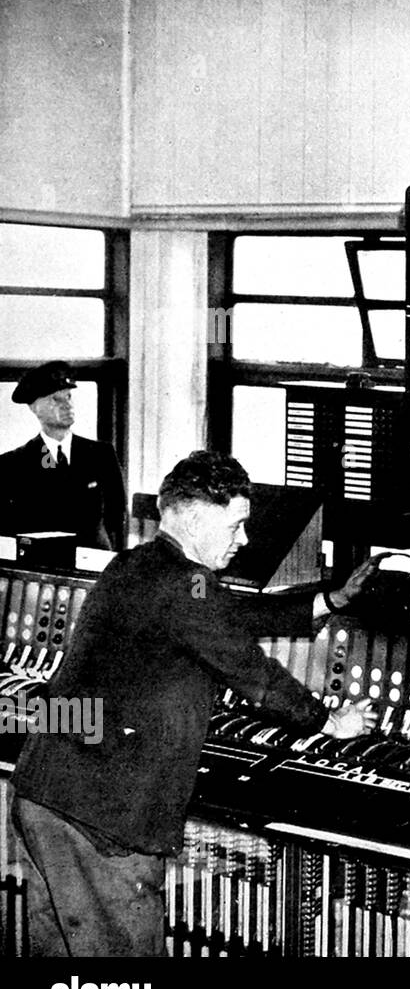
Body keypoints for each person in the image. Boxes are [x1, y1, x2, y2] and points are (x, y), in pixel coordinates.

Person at [9, 450, 381, 956]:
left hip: (45, 793)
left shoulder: (137, 564)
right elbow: (254, 674)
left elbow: (226, 617)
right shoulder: (186, 585)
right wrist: (330, 721)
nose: (244, 540)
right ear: (195, 516)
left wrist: (328, 601)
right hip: (104, 819)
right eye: (236, 526)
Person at [0, 360, 127, 551]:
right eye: (55, 399)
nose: (67, 405)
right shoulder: (12, 463)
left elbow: (116, 516)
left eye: (68, 397)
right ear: (34, 408)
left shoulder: (101, 455)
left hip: (92, 564)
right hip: (40, 568)